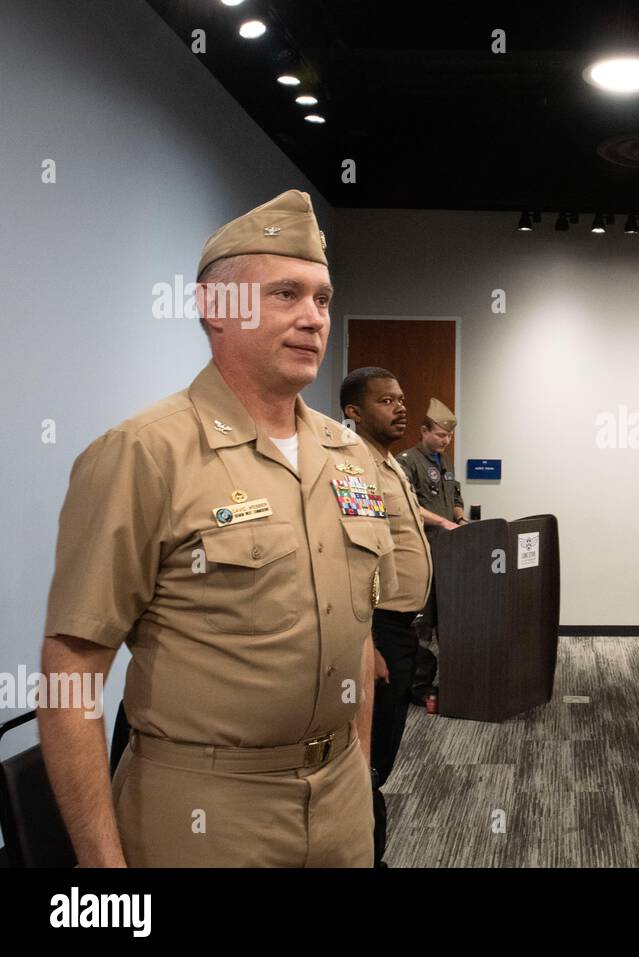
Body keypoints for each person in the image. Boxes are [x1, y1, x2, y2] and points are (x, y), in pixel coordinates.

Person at [38, 190, 385, 866]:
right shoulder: (144, 453)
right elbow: (70, 671)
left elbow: (359, 636)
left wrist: (359, 775)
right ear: (215, 310)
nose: (313, 318)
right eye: (286, 293)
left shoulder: (350, 455)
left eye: (322, 297)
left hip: (341, 804)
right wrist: (103, 870)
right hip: (205, 815)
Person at [340, 366, 432, 866]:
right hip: (379, 631)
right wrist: (367, 644)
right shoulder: (357, 469)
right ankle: (366, 856)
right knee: (368, 762)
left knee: (383, 756)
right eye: (385, 401)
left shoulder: (391, 463)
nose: (399, 408)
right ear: (353, 412)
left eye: (401, 399)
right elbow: (355, 562)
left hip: (402, 628)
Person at [397, 399, 466, 709]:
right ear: (423, 430)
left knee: (446, 617)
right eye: (439, 435)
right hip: (420, 550)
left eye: (448, 436)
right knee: (422, 622)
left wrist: (460, 517)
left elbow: (454, 493)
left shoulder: (444, 461)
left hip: (448, 551)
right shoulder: (406, 461)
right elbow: (407, 506)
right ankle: (418, 685)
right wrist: (443, 521)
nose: (444, 441)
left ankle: (444, 678)